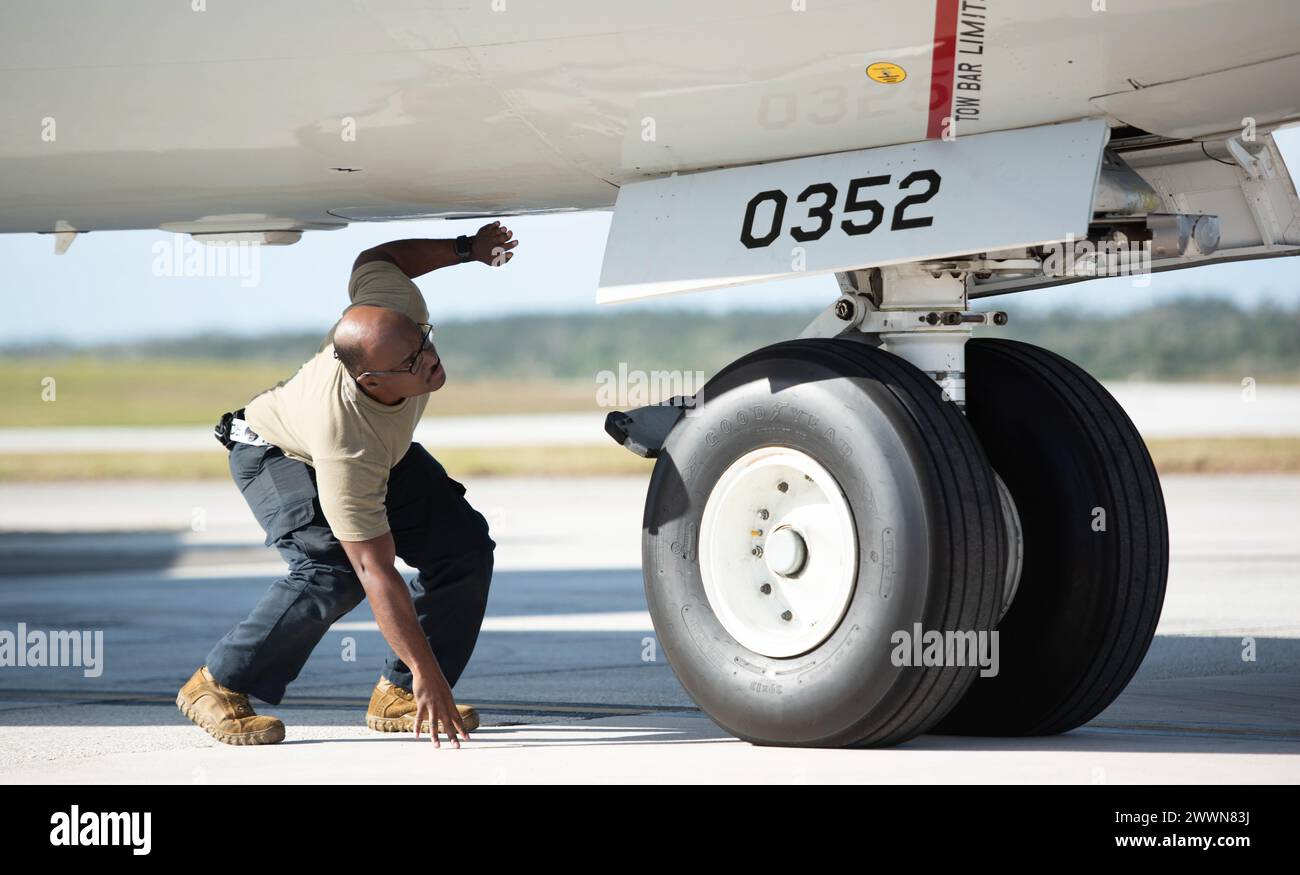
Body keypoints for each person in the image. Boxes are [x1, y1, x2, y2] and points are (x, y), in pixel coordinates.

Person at [176, 222, 518, 749]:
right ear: (372, 381)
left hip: (383, 450)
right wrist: (429, 667)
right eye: (412, 363)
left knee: (464, 549)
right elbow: (373, 567)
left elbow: (375, 257)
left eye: (424, 343)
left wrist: (466, 249)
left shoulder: (397, 314)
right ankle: (218, 684)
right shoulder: (346, 444)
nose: (431, 361)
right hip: (276, 450)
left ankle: (399, 695)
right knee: (331, 570)